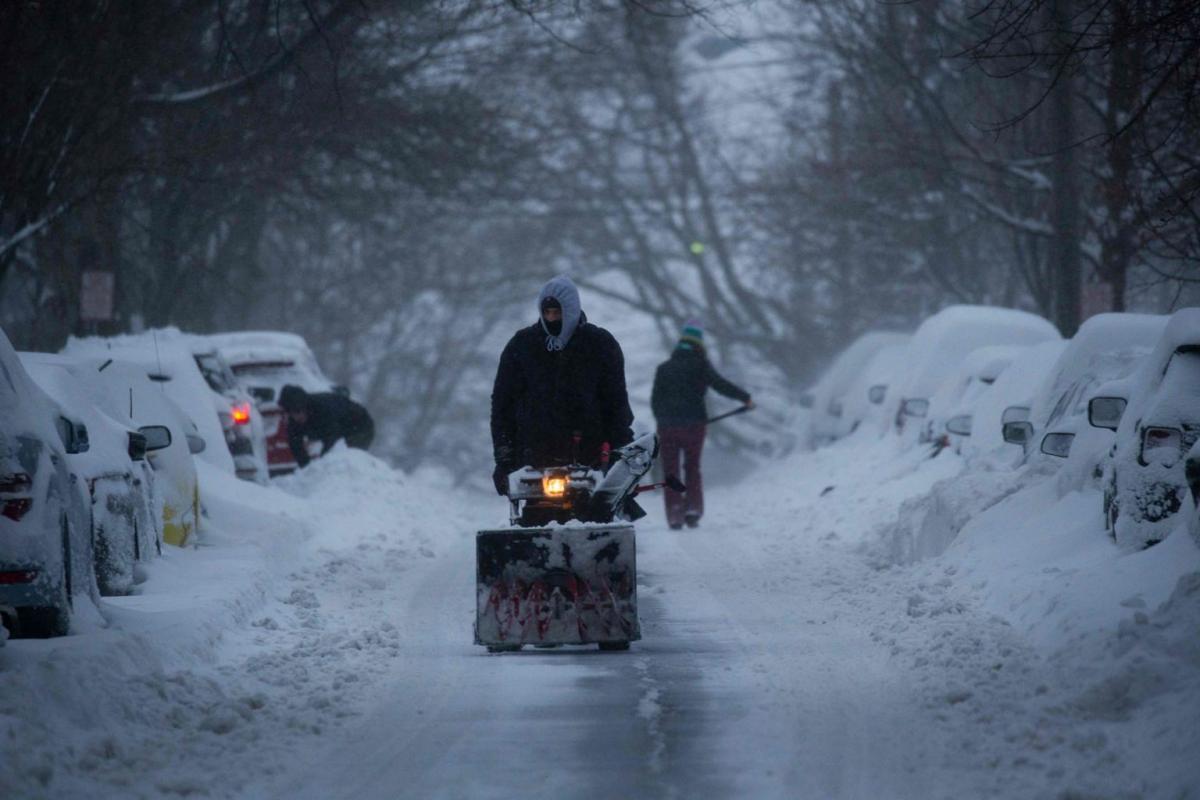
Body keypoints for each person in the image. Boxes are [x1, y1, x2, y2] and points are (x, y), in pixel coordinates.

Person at [490, 275, 635, 495]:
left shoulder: (599, 344)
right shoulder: (523, 346)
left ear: (571, 311)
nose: (552, 319)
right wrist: (504, 459)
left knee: (590, 512)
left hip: (589, 453)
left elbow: (615, 401)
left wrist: (620, 456)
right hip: (533, 454)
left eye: (558, 313)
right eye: (547, 313)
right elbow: (503, 404)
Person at [650, 322, 752, 529]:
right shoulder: (701, 365)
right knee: (692, 467)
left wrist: (663, 420)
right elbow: (721, 385)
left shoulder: (664, 368)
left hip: (668, 427)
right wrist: (745, 398)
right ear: (699, 345)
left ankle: (674, 515)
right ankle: (692, 510)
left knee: (671, 470)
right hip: (694, 426)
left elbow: (655, 400)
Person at [277, 384, 375, 469]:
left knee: (345, 459)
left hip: (359, 427)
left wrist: (322, 467)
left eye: (298, 411)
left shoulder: (323, 410)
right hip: (338, 430)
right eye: (291, 413)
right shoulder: (293, 421)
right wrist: (307, 468)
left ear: (305, 407)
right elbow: (295, 445)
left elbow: (331, 441)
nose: (297, 417)